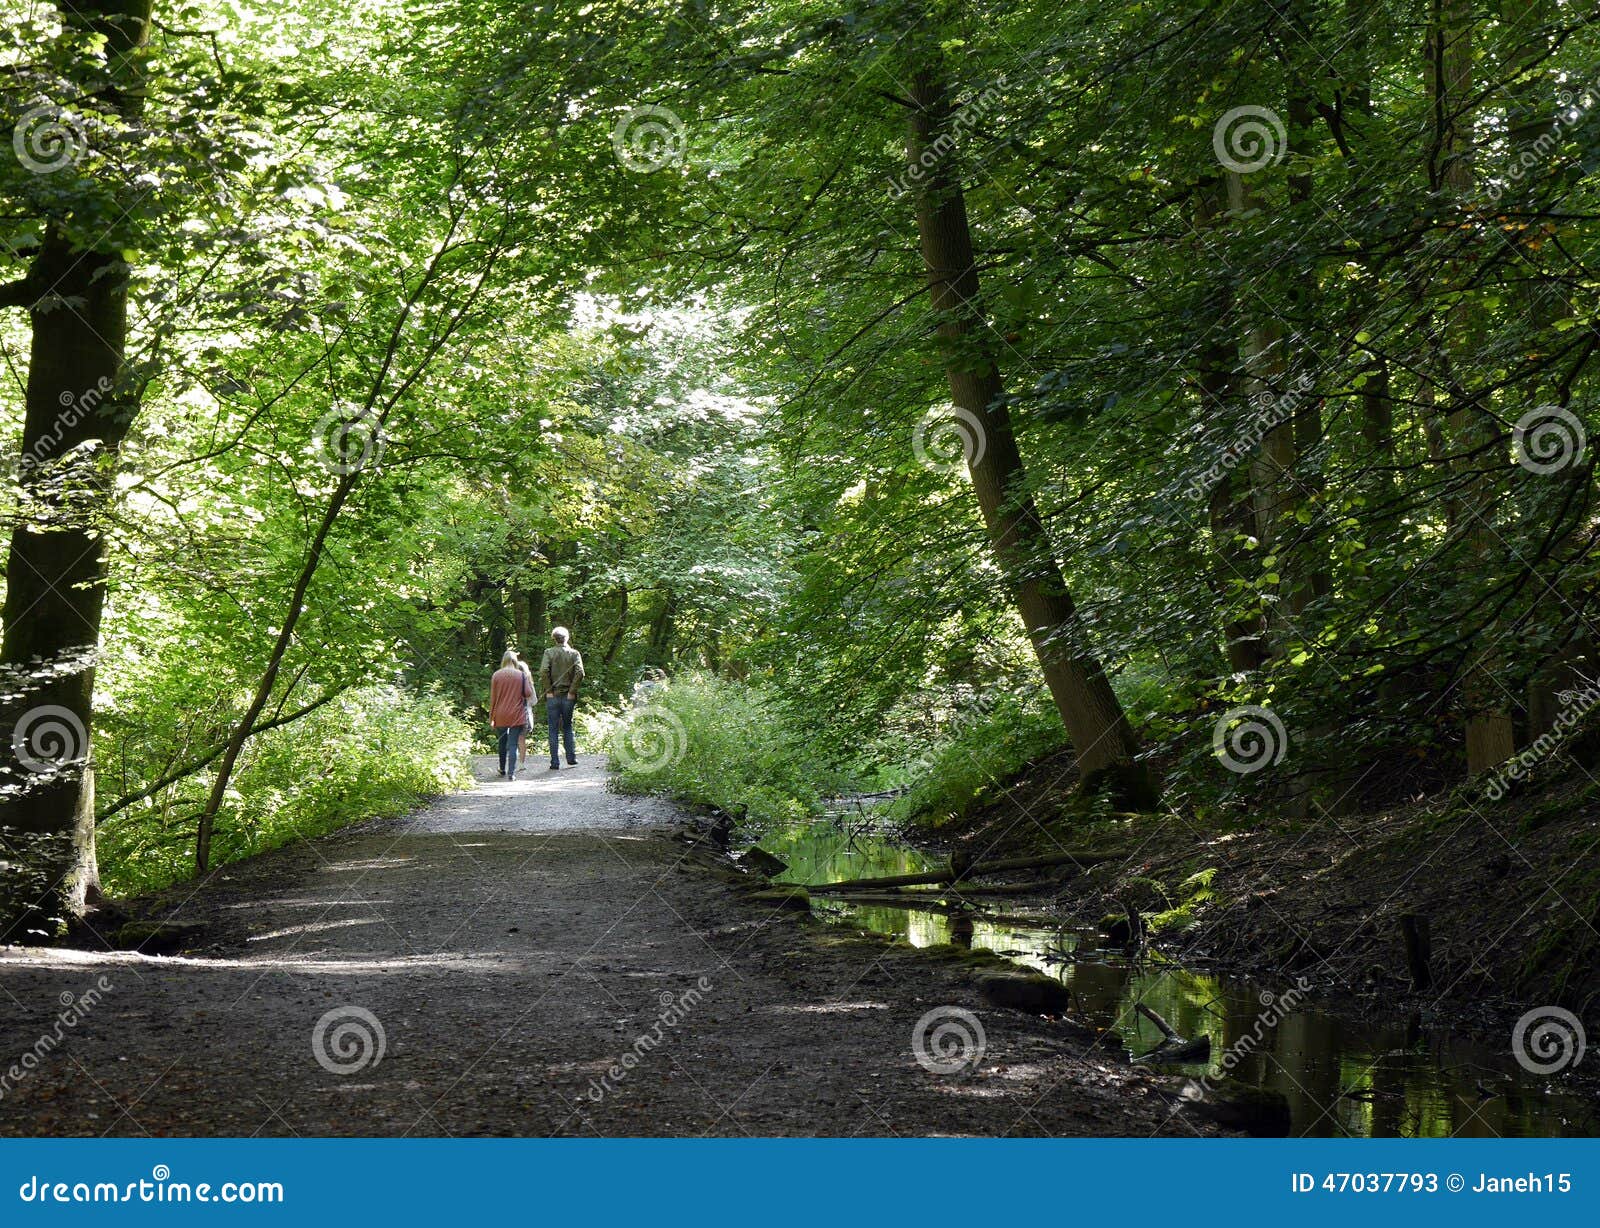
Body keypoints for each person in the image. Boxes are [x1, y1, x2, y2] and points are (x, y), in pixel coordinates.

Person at [538, 626, 585, 770]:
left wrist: (549, 690)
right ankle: (571, 758)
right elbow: (580, 673)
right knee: (567, 726)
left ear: (554, 639)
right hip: (568, 697)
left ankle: (555, 762)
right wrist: (572, 691)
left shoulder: (549, 653)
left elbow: (544, 671)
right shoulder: (574, 653)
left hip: (553, 696)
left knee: (552, 729)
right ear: (567, 638)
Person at [489, 649, 532, 779]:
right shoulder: (521, 675)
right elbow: (528, 693)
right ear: (515, 661)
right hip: (516, 714)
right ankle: (511, 774)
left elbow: (493, 698)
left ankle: (502, 769)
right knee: (513, 744)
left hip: (500, 713)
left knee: (502, 742)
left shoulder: (496, 675)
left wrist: (491, 716)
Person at [513, 651, 536, 765]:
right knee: (521, 739)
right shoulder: (530, 684)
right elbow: (534, 701)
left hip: (513, 714)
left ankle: (512, 762)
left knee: (512, 739)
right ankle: (521, 763)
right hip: (526, 714)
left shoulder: (512, 684)